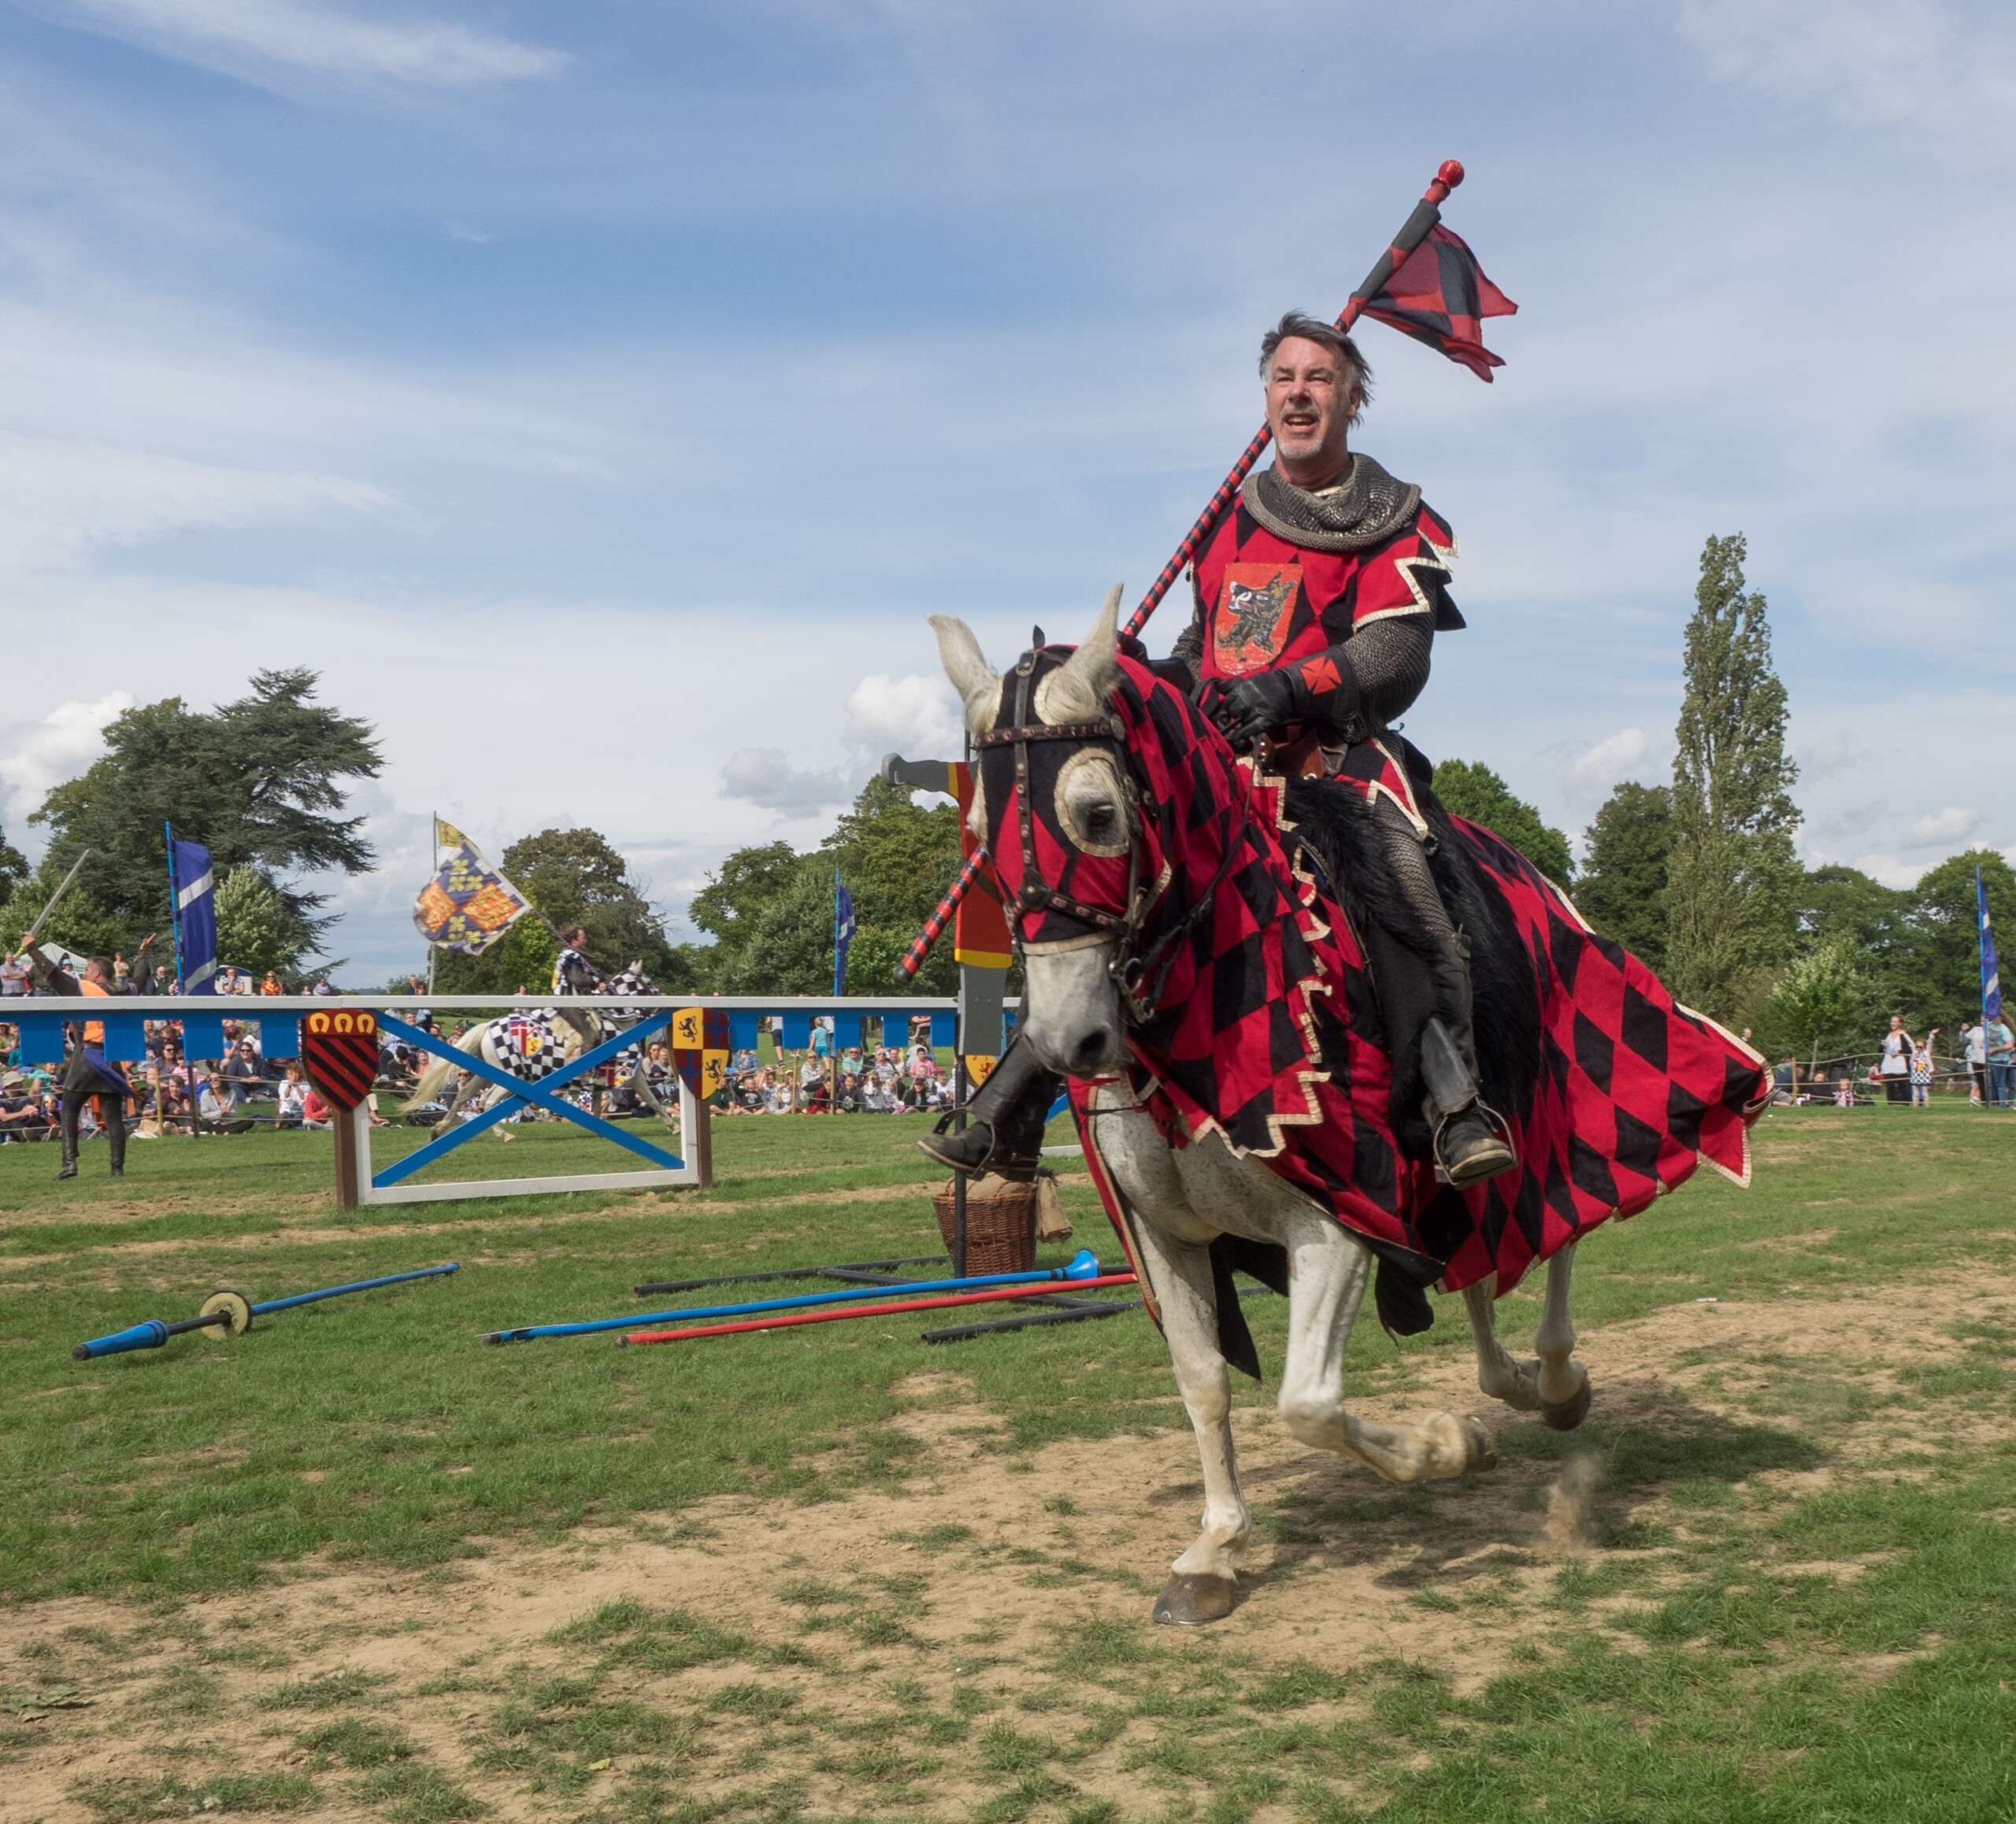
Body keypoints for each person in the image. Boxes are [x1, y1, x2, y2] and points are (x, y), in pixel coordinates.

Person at [924, 311, 1513, 1188]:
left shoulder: (1397, 517)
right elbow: (1207, 653)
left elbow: (1395, 651)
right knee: (1098, 873)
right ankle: (1017, 1090)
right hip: (1220, 767)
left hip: (1333, 758)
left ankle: (1451, 1099)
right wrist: (1131, 674)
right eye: (1283, 377)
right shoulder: (1231, 522)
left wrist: (1287, 687)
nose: (1299, 392)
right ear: (1265, 397)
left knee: (1402, 879)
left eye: (1318, 377)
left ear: (1353, 398)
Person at [19, 931, 158, 1178]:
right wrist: (143, 953)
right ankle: (117, 1169)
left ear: (95, 973)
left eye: (86, 971)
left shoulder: (85, 988)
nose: (83, 975)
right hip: (113, 1059)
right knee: (113, 1116)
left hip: (88, 1058)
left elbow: (53, 974)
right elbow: (141, 975)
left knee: (70, 1109)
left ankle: (69, 1164)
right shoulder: (124, 990)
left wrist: (33, 949)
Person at [1877, 1016, 1913, 1105]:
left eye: (1895, 1022)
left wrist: (1899, 1051)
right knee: (1890, 1085)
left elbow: (1911, 1049)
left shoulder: (1903, 1035)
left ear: (1899, 1023)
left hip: (1900, 1063)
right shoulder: (1888, 1035)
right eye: (1891, 1021)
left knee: (1902, 1085)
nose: (1892, 1023)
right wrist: (1882, 1045)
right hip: (1888, 1063)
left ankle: (1906, 1103)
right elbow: (1880, 1050)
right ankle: (1891, 1103)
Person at [1988, 1010, 2016, 1109]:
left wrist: (1995, 1049)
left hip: (2009, 1060)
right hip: (1998, 1059)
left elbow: (2010, 1045)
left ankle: (2007, 1104)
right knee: (1995, 1084)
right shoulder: (1990, 1027)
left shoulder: (2005, 1029)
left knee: (2010, 1084)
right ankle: (1997, 1104)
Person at [1961, 1017, 1988, 1106]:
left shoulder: (1992, 1031)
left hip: (1988, 1060)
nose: (1983, 1022)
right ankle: (1979, 1100)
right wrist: (1964, 1031)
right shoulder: (1976, 1030)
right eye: (1981, 1020)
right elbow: (1964, 1041)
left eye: (1985, 1020)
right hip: (1976, 1060)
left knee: (1987, 1082)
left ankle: (1981, 1099)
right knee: (1979, 1082)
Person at [1909, 1029, 1938, 1107]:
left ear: (1924, 1047)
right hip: (1915, 1075)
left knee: (1925, 1092)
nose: (1918, 1048)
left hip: (1924, 1075)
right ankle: (1915, 1106)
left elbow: (1930, 1043)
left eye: (1920, 1047)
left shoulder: (1926, 1053)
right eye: (1917, 1046)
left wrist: (1932, 1034)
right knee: (1915, 1092)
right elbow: (1911, 1043)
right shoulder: (1914, 1053)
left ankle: (1927, 1106)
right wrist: (1905, 1034)